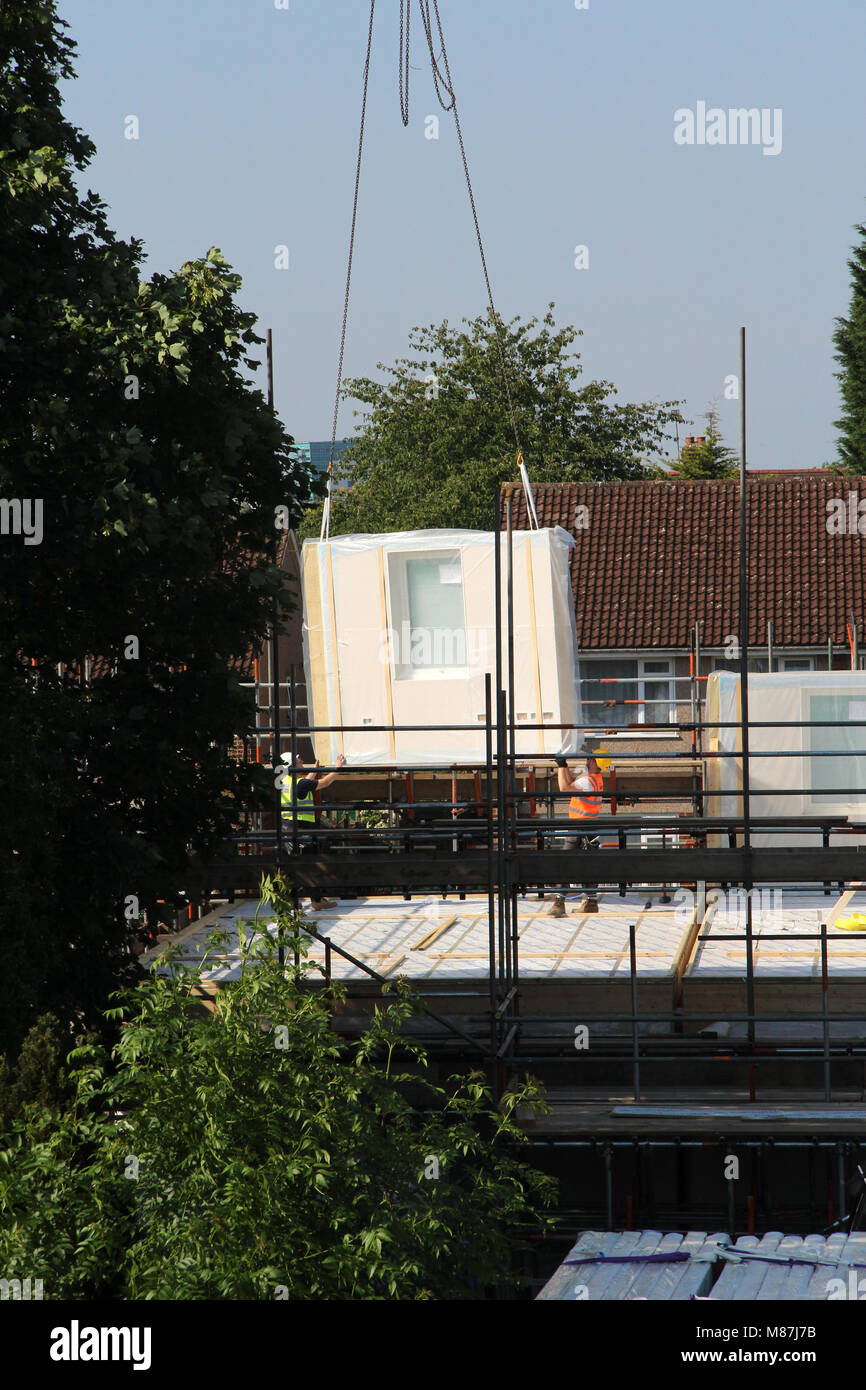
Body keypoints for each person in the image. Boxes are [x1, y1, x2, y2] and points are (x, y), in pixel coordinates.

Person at [548, 748, 611, 916]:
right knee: (587, 866)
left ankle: (559, 902)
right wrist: (564, 766)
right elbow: (571, 785)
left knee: (565, 864)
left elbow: (563, 788)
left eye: (589, 757)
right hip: (590, 829)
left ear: (592, 761)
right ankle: (591, 902)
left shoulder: (588, 782)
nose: (587, 759)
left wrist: (561, 764)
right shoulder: (595, 780)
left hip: (578, 827)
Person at [280, 752, 346, 910]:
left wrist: (314, 770)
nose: (302, 760)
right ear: (292, 766)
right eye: (298, 760)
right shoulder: (300, 784)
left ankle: (291, 901)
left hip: (287, 827)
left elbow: (304, 784)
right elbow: (324, 783)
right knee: (310, 864)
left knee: (292, 865)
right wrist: (337, 767)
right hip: (302, 827)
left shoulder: (284, 781)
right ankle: (316, 901)